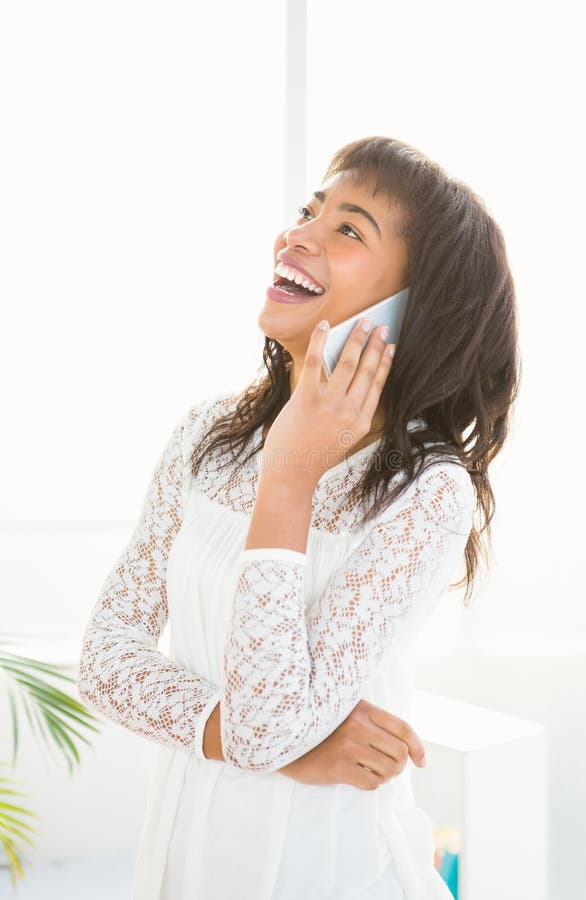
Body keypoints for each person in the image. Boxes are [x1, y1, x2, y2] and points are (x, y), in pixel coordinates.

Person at [77, 135, 521, 899]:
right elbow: (106, 658)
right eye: (307, 211)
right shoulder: (205, 437)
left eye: (349, 229)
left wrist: (289, 478)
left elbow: (263, 726)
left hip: (326, 867)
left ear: (416, 308)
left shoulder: (427, 493)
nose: (298, 235)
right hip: (188, 852)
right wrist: (264, 741)